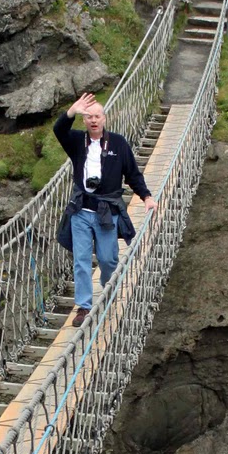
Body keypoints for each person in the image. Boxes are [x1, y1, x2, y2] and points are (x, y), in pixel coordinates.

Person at [53, 91, 156, 327]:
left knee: (108, 259)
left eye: (97, 116)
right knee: (80, 260)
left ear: (105, 118)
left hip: (106, 212)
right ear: (84, 120)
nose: (93, 120)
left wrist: (146, 197)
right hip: (80, 210)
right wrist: (71, 111)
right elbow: (59, 131)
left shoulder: (118, 143)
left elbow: (132, 173)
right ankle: (84, 306)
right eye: (88, 116)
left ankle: (107, 286)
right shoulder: (77, 141)